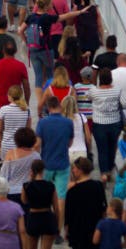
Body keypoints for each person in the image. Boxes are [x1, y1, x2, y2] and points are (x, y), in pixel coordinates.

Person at [34, 95, 73, 233]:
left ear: (48, 108)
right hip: (63, 164)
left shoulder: (43, 123)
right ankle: (57, 229)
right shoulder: (68, 123)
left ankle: (45, 226)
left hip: (46, 164)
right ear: (60, 106)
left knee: (45, 197)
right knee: (61, 197)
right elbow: (70, 144)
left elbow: (38, 145)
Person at [87, 68, 126, 183]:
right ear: (110, 79)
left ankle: (104, 173)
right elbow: (125, 103)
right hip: (115, 123)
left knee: (101, 149)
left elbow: (88, 98)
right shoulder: (117, 90)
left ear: (100, 79)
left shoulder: (93, 91)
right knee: (112, 147)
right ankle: (109, 169)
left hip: (99, 124)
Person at [64, 157, 107, 249]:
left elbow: (68, 213)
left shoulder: (73, 190)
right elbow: (104, 209)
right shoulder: (98, 186)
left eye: (74, 168)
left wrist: (66, 231)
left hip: (77, 231)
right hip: (95, 229)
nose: (73, 170)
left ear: (80, 170)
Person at [21, 159, 59, 249]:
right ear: (43, 170)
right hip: (47, 217)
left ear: (32, 170)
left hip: (34, 217)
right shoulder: (50, 185)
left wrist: (31, 179)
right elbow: (56, 207)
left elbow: (24, 201)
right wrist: (57, 223)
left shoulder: (26, 186)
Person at [0, 127, 41, 205]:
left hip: (12, 192)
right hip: (29, 191)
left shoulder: (11, 154)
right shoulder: (36, 156)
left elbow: (3, 175)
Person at [0, 87, 32, 163]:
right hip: (21, 146)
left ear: (10, 96)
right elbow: (28, 131)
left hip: (6, 146)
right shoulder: (27, 110)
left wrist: (0, 150)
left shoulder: (4, 110)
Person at [61, 95, 91, 165]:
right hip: (81, 151)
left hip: (66, 152)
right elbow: (88, 138)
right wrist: (88, 149)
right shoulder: (82, 117)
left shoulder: (61, 119)